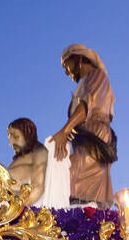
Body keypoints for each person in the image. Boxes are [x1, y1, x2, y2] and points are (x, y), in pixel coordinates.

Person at [49, 45, 115, 206]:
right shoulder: (85, 82)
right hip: (81, 138)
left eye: (67, 66)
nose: (66, 72)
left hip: (93, 135)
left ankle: (87, 214)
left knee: (83, 181)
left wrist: (64, 131)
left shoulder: (96, 76)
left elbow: (86, 106)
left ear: (78, 59)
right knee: (72, 178)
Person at [6, 118, 48, 207]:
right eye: (10, 137)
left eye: (16, 137)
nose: (11, 142)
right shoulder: (19, 158)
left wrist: (18, 210)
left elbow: (38, 187)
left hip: (16, 207)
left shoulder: (39, 152)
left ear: (27, 135)